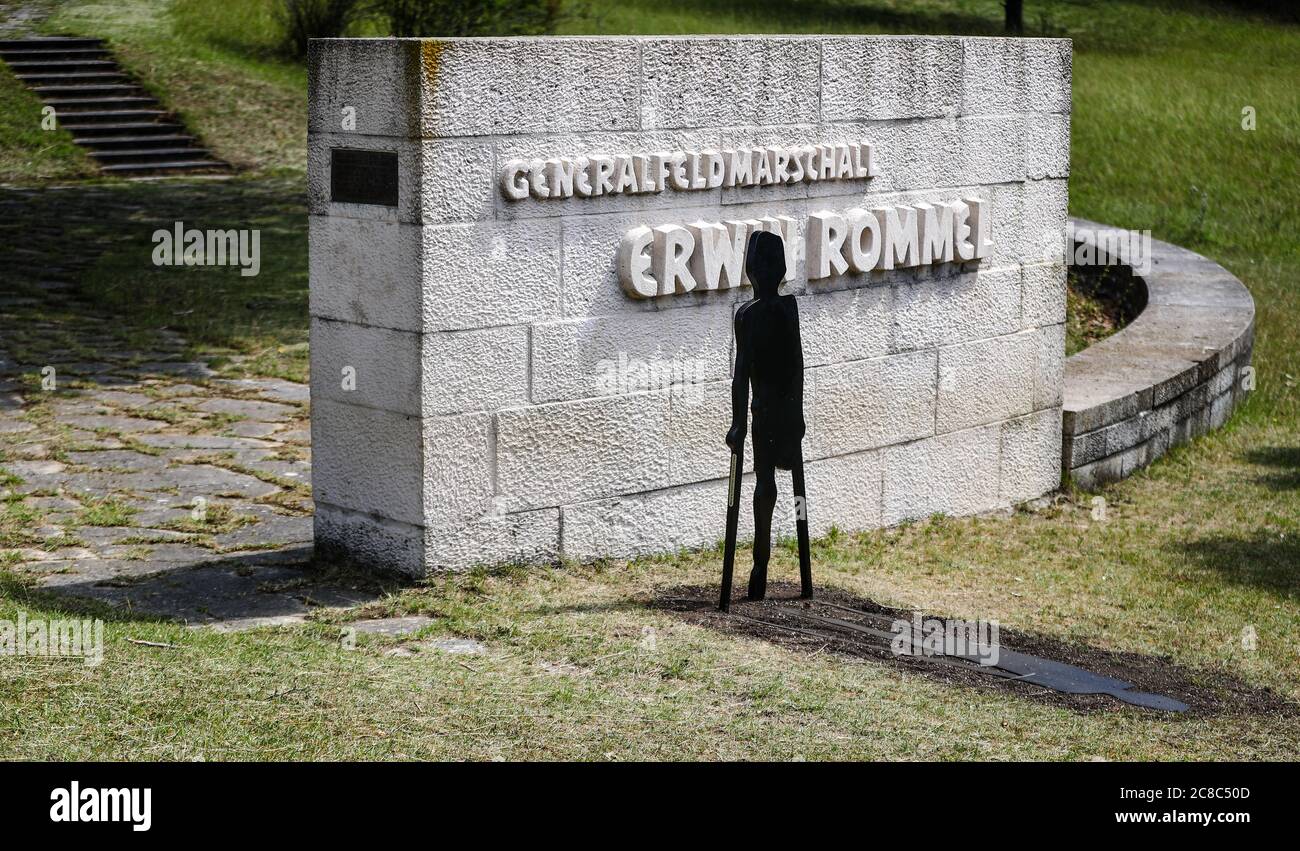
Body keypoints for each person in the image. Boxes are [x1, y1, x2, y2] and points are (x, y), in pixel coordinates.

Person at [725, 229, 811, 602]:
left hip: (768, 412)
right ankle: (764, 560)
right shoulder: (783, 309)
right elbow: (795, 366)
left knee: (769, 486)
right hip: (779, 412)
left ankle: (762, 559)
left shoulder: (749, 315)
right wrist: (740, 421)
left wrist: (739, 422)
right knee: (776, 486)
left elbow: (742, 374)